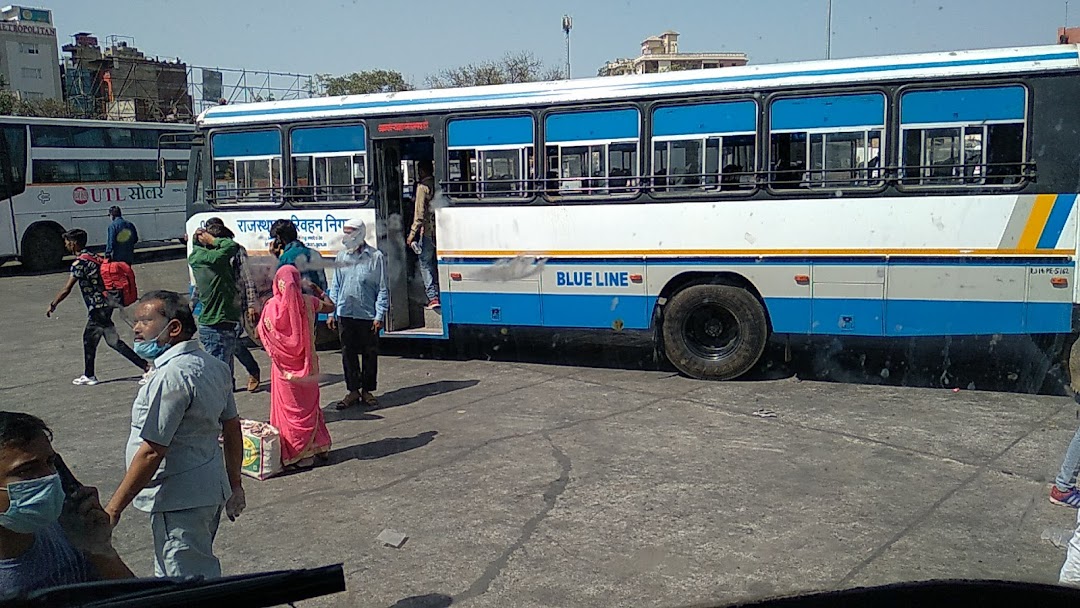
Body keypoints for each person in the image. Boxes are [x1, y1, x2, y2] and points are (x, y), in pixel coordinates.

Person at [104, 290, 246, 579]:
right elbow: (231, 426)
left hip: (178, 497)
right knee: (195, 569)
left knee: (183, 582)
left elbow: (152, 451)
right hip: (206, 490)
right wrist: (234, 484)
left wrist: (114, 508)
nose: (136, 328)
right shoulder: (213, 367)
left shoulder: (172, 377)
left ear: (174, 328)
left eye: (146, 320)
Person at [0, 411, 133, 593]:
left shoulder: (69, 531)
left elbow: (134, 596)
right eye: (26, 471)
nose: (50, 478)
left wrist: (100, 549)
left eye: (51, 462)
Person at [46, 229, 150, 387]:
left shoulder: (79, 263)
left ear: (74, 243)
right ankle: (92, 374)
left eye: (67, 242)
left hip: (98, 307)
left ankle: (145, 368)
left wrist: (53, 304)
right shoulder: (94, 257)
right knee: (109, 341)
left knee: (95, 339)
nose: (66, 245)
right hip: (106, 304)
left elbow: (67, 288)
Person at [259, 265, 335, 469]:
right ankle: (318, 445)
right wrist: (319, 290)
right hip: (308, 368)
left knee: (290, 412)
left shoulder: (270, 307)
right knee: (310, 408)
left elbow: (260, 333)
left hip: (283, 372)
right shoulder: (309, 302)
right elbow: (331, 307)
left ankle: (297, 453)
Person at [327, 219, 389, 410]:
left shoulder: (376, 257)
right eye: (344, 232)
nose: (346, 236)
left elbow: (382, 288)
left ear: (360, 234)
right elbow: (335, 286)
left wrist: (379, 315)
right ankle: (353, 390)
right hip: (345, 312)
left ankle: (367, 391)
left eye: (350, 232)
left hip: (367, 314)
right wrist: (331, 312)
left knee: (369, 353)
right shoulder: (341, 256)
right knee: (348, 353)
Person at [200, 219, 262, 392]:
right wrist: (193, 303)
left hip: (236, 301)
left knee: (232, 341)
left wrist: (251, 303)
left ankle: (251, 371)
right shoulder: (209, 252)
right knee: (229, 343)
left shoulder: (236, 250)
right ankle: (230, 382)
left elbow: (247, 277)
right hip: (217, 303)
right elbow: (203, 281)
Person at [188, 224, 241, 382]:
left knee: (225, 375)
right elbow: (232, 246)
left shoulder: (201, 256)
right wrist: (213, 240)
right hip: (216, 327)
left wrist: (199, 239)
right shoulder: (209, 259)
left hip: (221, 324)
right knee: (220, 378)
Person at [406, 160, 440, 309]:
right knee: (436, 261)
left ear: (421, 172)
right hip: (440, 231)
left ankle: (432, 296)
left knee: (425, 262)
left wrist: (411, 234)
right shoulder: (438, 184)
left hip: (427, 231)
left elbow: (419, 214)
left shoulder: (422, 188)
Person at [271, 218, 327, 293]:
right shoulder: (315, 253)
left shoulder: (285, 259)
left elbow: (279, 287)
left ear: (279, 239)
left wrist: (274, 257)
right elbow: (323, 285)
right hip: (316, 302)